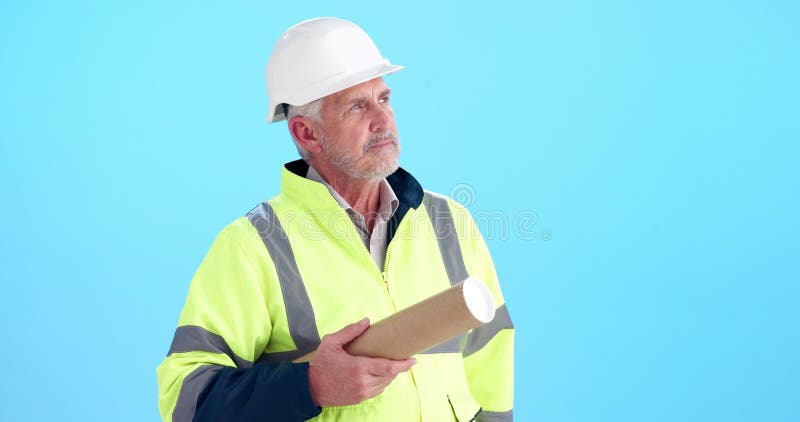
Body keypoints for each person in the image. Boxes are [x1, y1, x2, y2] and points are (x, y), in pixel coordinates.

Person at [157, 17, 514, 422]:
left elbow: (491, 361)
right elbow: (184, 399)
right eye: (357, 106)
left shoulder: (449, 221)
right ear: (306, 133)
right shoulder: (252, 246)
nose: (382, 120)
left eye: (384, 98)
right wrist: (307, 386)